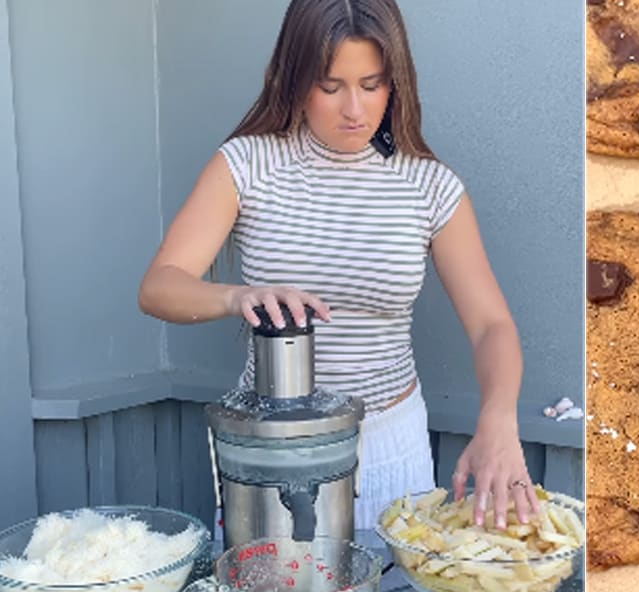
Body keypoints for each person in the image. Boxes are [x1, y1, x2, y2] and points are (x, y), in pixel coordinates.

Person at [138, 0, 536, 531]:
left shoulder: (430, 186)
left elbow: (492, 326)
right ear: (294, 79)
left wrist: (499, 419)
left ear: (396, 82)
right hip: (272, 447)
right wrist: (235, 297)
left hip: (391, 440)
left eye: (372, 84)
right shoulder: (247, 164)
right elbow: (160, 286)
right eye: (330, 87)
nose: (355, 109)